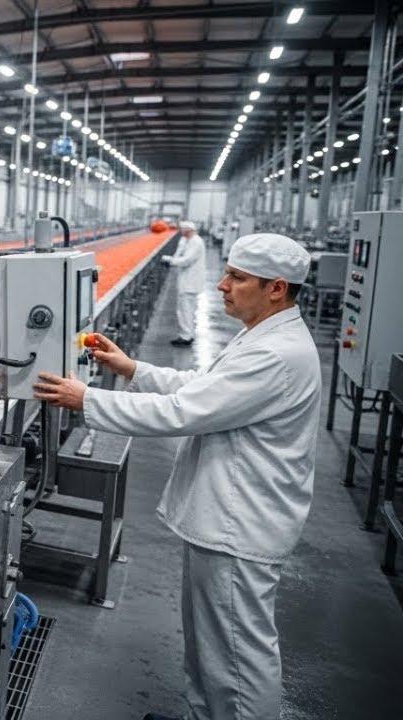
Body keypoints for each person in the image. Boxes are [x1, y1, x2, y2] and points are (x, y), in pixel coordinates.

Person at [33, 233, 320, 720]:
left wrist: (89, 400)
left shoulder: (277, 353)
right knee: (210, 647)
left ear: (276, 288)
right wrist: (131, 368)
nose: (222, 285)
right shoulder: (264, 334)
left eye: (237, 278)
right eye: (227, 272)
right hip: (229, 518)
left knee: (237, 658)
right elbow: (203, 387)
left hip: (240, 524)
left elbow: (184, 411)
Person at [162, 221, 206, 346]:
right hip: (187, 281)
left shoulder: (196, 242)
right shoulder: (188, 240)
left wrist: (170, 261)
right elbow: (180, 254)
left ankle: (185, 337)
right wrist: (173, 258)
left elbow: (187, 260)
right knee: (186, 309)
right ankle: (188, 334)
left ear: (188, 230)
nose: (181, 232)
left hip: (190, 282)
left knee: (185, 310)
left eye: (182, 230)